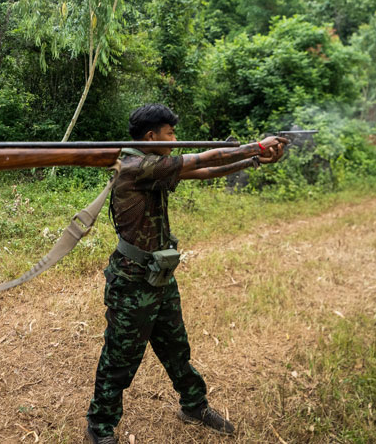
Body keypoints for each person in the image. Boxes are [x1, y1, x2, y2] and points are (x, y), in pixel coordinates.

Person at [85, 103, 288, 443]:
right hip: (133, 281)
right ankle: (99, 428)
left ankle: (194, 406)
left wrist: (253, 159)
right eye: (171, 134)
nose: (176, 139)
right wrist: (257, 147)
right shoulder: (135, 166)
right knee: (120, 360)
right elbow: (201, 160)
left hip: (159, 276)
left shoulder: (155, 165)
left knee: (176, 349)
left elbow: (204, 171)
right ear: (151, 136)